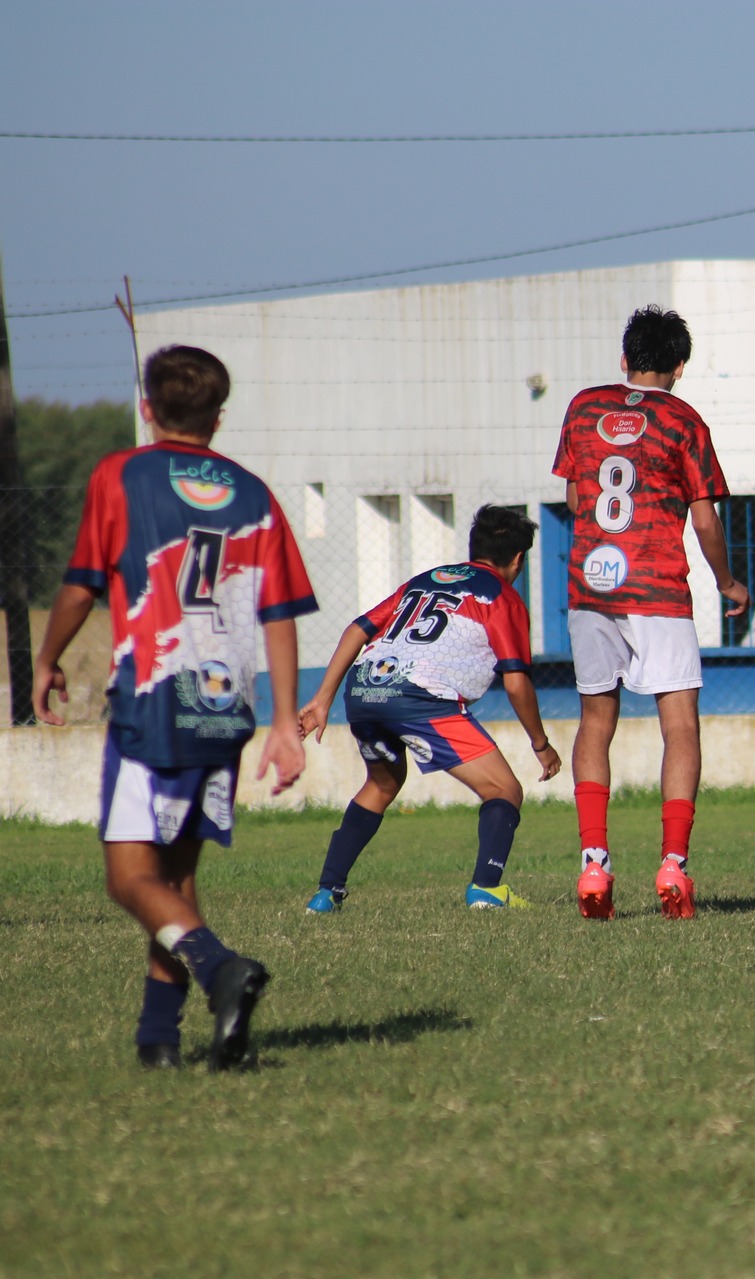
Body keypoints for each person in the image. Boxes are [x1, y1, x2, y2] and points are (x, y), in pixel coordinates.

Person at [32, 345, 317, 1070]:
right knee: (176, 882)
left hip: (153, 705)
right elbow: (280, 612)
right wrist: (284, 722)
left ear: (147, 409)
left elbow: (81, 584)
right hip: (223, 710)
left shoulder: (122, 475)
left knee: (129, 878)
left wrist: (46, 657)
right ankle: (159, 1039)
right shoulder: (254, 494)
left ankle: (220, 968)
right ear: (218, 418)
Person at [551, 305, 749, 921]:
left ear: (624, 358)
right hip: (656, 585)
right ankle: (673, 865)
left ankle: (593, 862)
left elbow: (576, 497)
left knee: (595, 720)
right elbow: (706, 519)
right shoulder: (684, 421)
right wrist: (726, 581)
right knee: (680, 725)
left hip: (591, 584)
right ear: (680, 366)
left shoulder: (584, 407)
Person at [296, 505, 562, 911]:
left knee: (382, 785)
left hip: (364, 689)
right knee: (503, 789)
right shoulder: (501, 597)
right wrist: (540, 743)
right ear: (518, 559)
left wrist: (322, 698)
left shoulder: (426, 580)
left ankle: (326, 893)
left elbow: (357, 629)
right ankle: (486, 889)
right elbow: (516, 681)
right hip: (420, 698)